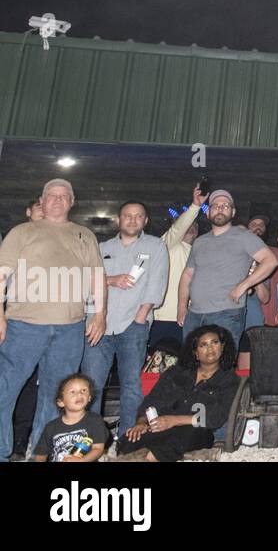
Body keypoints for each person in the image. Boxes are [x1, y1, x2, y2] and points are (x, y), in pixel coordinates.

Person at [0, 178, 106, 462]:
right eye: (52, 195)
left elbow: (97, 278)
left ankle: (42, 456)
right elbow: (1, 274)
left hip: (70, 329)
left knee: (55, 398)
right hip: (24, 326)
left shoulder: (85, 235)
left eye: (64, 196)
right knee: (4, 390)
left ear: (72, 202)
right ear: (42, 202)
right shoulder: (22, 232)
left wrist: (100, 314)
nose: (58, 200)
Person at [81, 200, 170, 434]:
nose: (132, 220)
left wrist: (140, 318)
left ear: (145, 221)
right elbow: (86, 282)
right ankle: (91, 439)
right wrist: (112, 280)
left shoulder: (156, 246)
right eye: (127, 215)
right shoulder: (101, 248)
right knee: (92, 385)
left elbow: (156, 283)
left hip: (133, 325)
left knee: (131, 386)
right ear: (118, 220)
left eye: (138, 216)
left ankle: (127, 442)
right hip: (98, 324)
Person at [118, 325, 239, 462]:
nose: (210, 348)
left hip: (194, 432)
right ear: (195, 353)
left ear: (222, 347)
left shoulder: (230, 380)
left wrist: (173, 421)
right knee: (130, 438)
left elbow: (215, 417)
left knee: (188, 434)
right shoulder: (176, 373)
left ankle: (151, 457)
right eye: (203, 345)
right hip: (161, 426)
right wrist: (141, 422)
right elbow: (152, 400)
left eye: (215, 342)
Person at [176, 190, 277, 348]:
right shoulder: (200, 241)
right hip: (194, 314)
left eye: (225, 205)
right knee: (191, 365)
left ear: (233, 212)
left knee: (222, 366)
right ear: (208, 212)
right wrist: (181, 307)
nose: (220, 208)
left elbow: (271, 261)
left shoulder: (244, 236)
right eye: (215, 206)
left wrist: (243, 286)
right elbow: (187, 275)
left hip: (226, 313)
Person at [151, 184, 207, 346]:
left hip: (193, 318)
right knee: (157, 365)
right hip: (163, 317)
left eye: (195, 225)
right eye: (187, 224)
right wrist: (195, 206)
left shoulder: (201, 251)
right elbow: (177, 230)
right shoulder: (165, 246)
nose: (191, 228)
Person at [32, 374, 109, 463]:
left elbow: (98, 449)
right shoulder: (51, 427)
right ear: (61, 402)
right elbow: (41, 455)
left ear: (89, 398)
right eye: (73, 392)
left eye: (84, 390)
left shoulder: (95, 420)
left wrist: (82, 460)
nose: (79, 394)